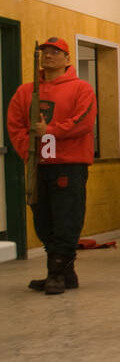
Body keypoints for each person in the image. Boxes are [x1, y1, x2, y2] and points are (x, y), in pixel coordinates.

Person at [6, 36, 97, 294]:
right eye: (45, 51)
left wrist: (50, 131)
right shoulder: (26, 92)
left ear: (67, 59)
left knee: (66, 219)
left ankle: (56, 272)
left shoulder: (81, 89)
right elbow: (15, 125)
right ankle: (64, 273)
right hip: (39, 165)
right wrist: (30, 151)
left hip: (69, 165)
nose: (49, 56)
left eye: (56, 52)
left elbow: (83, 122)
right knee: (43, 219)